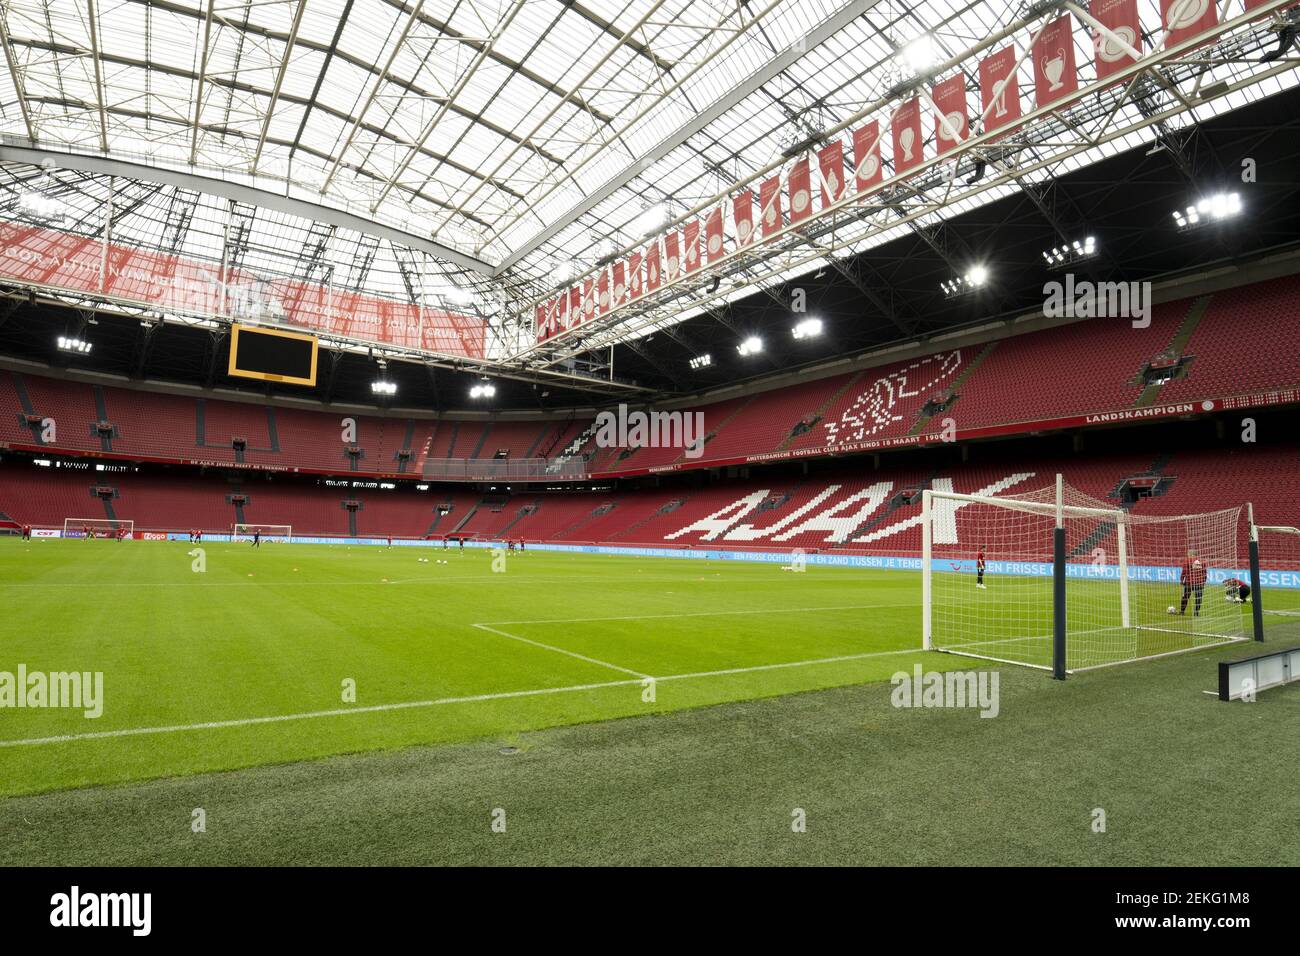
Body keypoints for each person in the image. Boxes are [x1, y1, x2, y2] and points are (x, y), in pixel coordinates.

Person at [1179, 549, 1207, 616]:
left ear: (1191, 554)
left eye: (1188, 554)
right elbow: (1204, 573)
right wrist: (1203, 581)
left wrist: (1181, 580)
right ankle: (1196, 613)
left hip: (1189, 582)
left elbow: (1184, 571)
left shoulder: (1187, 561)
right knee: (1198, 598)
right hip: (1199, 583)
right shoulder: (1202, 561)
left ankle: (1182, 611)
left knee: (1185, 597)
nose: (1187, 555)